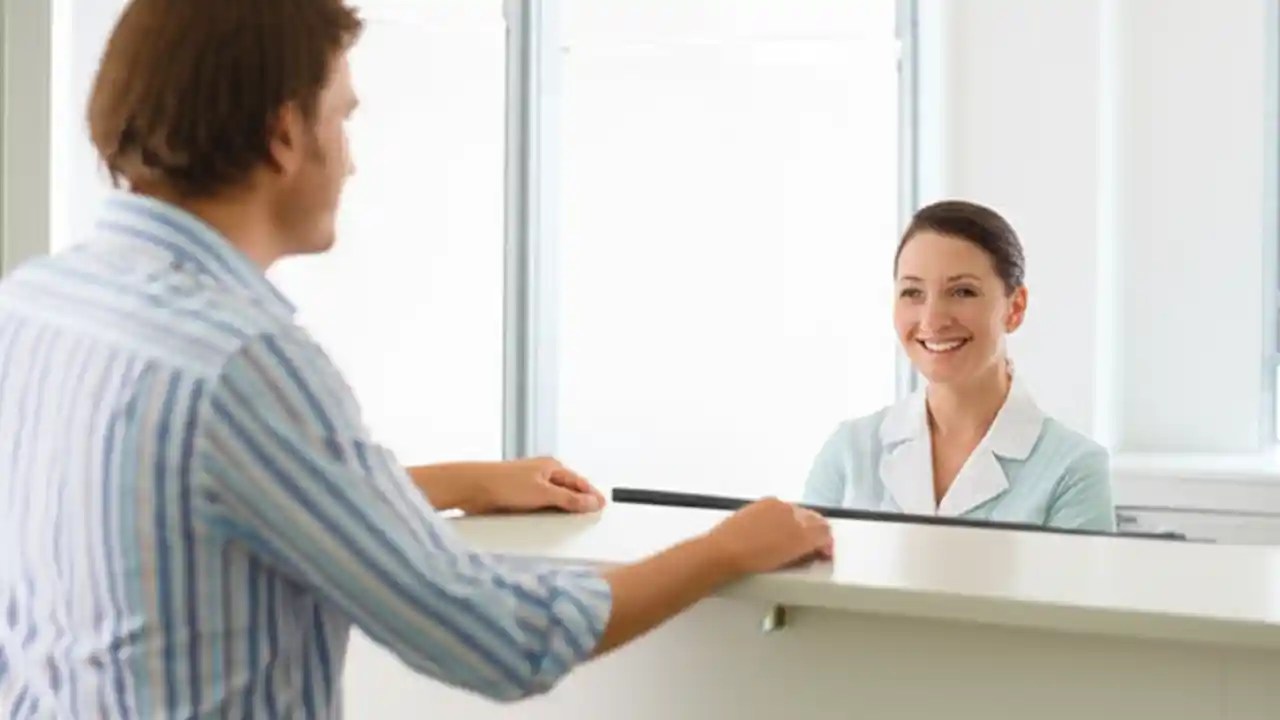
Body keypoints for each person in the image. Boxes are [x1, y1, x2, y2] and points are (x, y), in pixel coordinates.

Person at [0, 1, 833, 716]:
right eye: (343, 118)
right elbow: (496, 637)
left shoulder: (36, 303)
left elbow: (194, 496)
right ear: (284, 133)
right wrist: (725, 549)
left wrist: (461, 483)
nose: (352, 158)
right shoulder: (245, 363)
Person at [803, 200, 1114, 531]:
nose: (932, 321)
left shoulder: (1073, 470)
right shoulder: (849, 453)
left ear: (1015, 308)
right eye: (912, 292)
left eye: (962, 291)